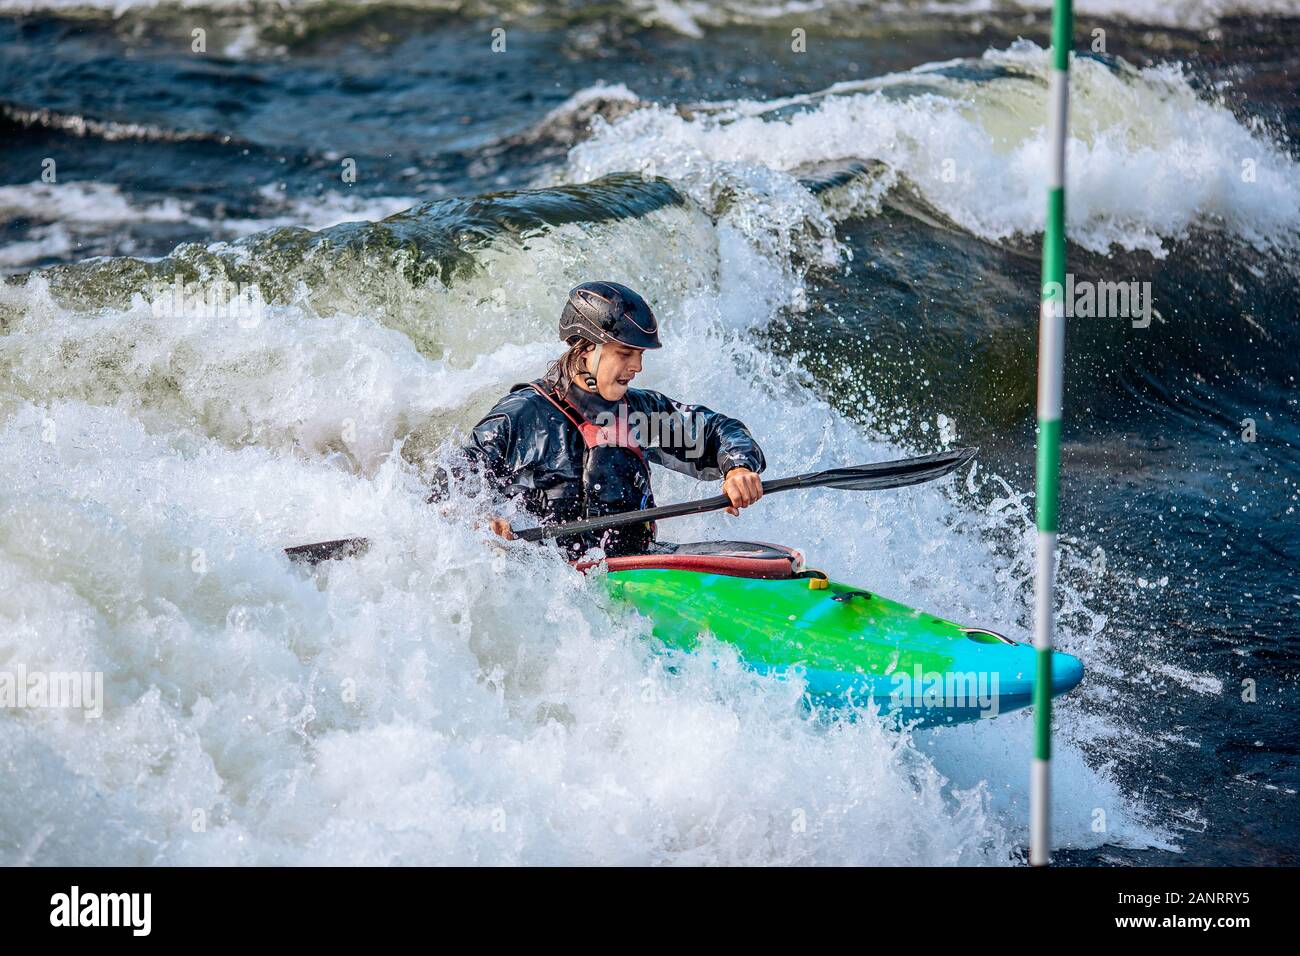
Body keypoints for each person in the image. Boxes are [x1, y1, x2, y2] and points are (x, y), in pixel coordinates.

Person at [458, 280, 765, 558]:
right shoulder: (523, 415)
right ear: (586, 348)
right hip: (557, 578)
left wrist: (737, 468)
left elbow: (717, 431)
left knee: (766, 561)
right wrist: (483, 519)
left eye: (640, 355)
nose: (637, 367)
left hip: (639, 564)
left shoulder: (639, 415)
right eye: (625, 353)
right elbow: (453, 483)